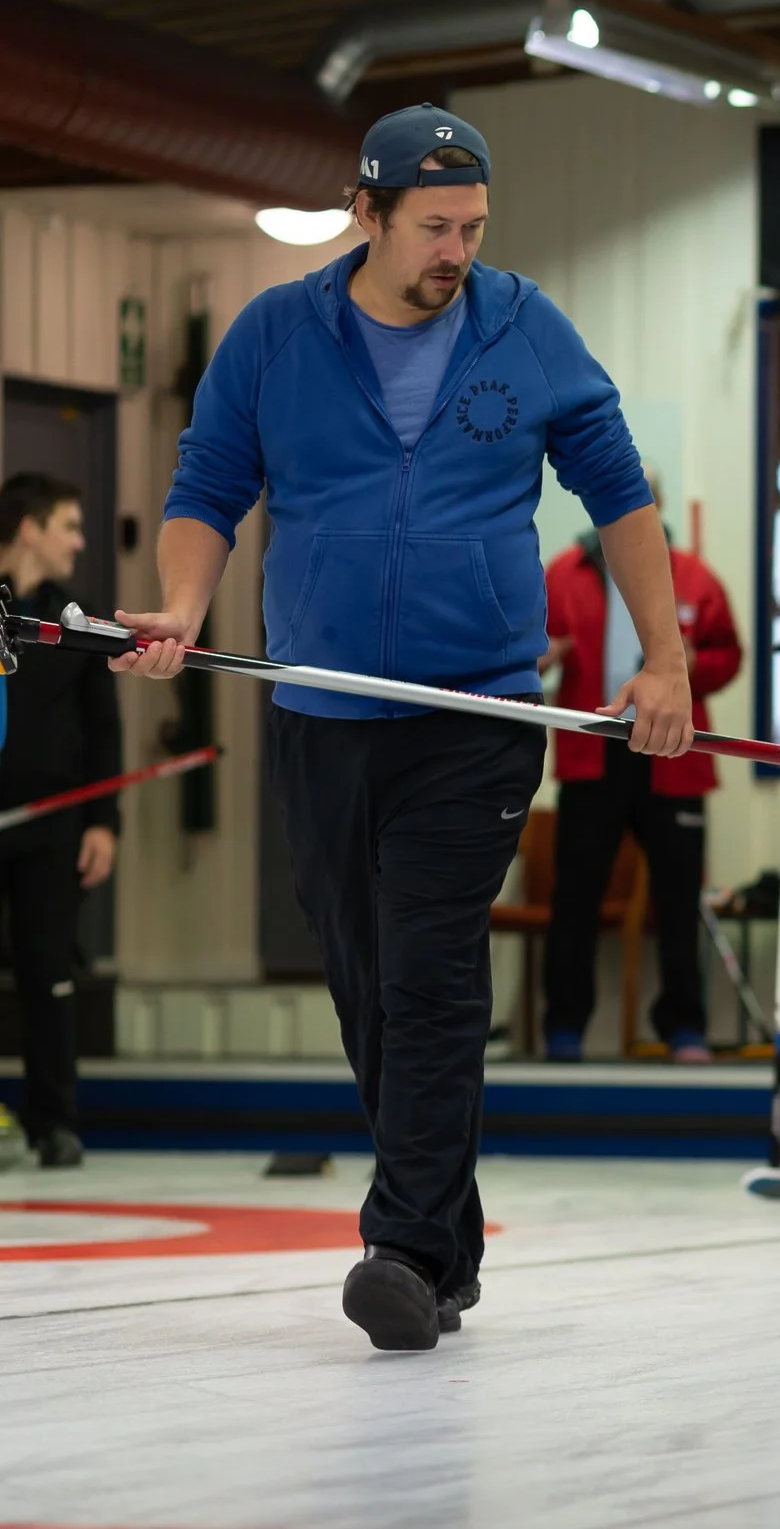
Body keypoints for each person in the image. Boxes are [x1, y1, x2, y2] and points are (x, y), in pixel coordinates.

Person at [120, 104, 691, 1352]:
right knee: (367, 981)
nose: (456, 248)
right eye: (433, 225)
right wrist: (178, 606)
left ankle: (399, 1245)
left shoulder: (524, 324)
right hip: (322, 711)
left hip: (473, 712)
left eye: (473, 225)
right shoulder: (278, 333)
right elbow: (209, 485)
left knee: (430, 971)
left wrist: (663, 654)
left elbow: (619, 490)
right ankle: (449, 1244)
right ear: (365, 213)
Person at [538, 469, 743, 1063]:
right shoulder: (563, 573)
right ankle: (565, 1030)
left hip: (674, 757)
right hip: (592, 755)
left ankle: (684, 1028)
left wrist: (690, 666)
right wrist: (542, 656)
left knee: (680, 899)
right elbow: (528, 648)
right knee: (575, 896)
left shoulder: (695, 576)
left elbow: (730, 654)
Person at [0, 473, 121, 1170]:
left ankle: (55, 1121)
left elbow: (102, 729)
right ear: (29, 527)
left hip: (53, 825)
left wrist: (103, 820)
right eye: (69, 525)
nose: (79, 540)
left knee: (48, 971)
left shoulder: (76, 620)